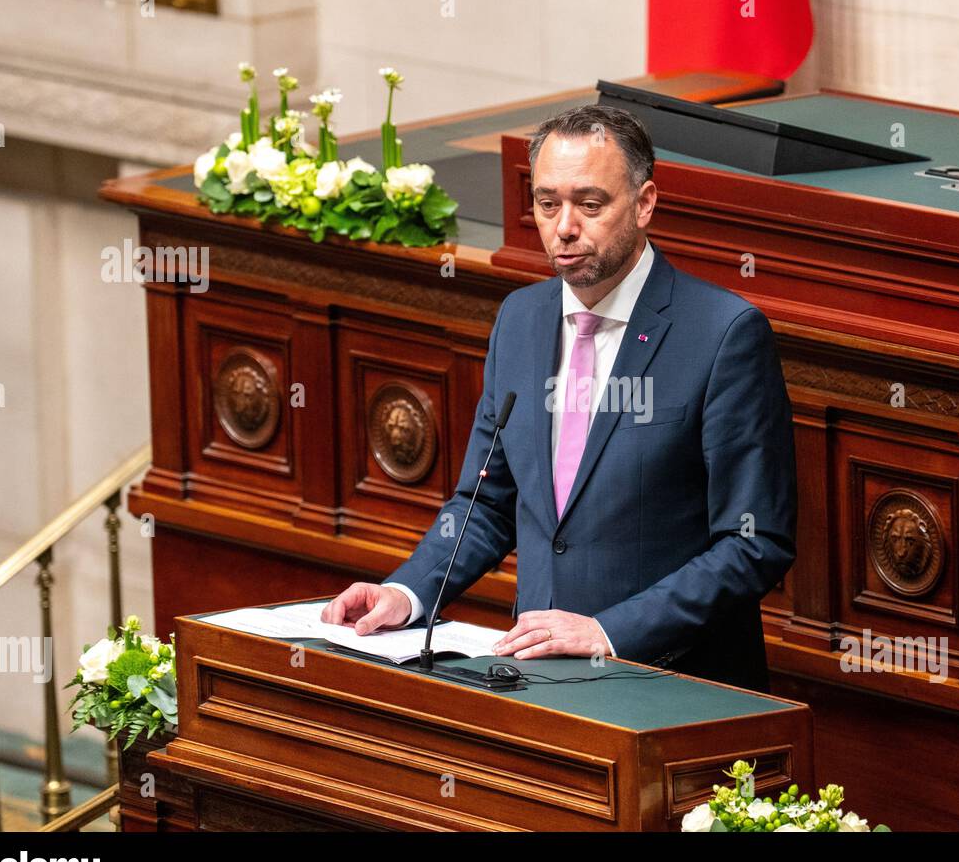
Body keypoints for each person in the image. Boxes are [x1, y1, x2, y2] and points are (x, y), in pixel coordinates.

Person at [322, 104, 796, 691]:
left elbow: (755, 543)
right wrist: (409, 590)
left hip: (673, 683)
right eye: (548, 204)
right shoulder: (521, 318)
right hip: (537, 682)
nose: (564, 226)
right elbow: (486, 502)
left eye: (590, 204)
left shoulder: (723, 334)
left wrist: (609, 632)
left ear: (646, 203)